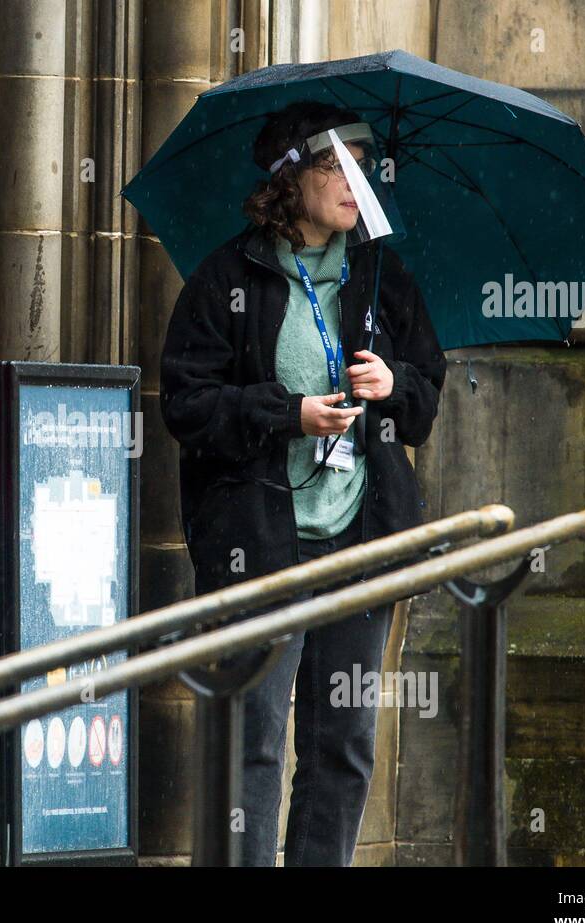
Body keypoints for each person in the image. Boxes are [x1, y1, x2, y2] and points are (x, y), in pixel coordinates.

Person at [159, 100, 446, 866]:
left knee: (343, 743)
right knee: (253, 739)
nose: (358, 181)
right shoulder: (229, 278)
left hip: (362, 542)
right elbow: (185, 403)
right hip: (262, 546)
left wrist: (395, 384)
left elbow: (425, 402)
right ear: (291, 180)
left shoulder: (384, 280)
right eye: (337, 164)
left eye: (363, 163)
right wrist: (286, 415)